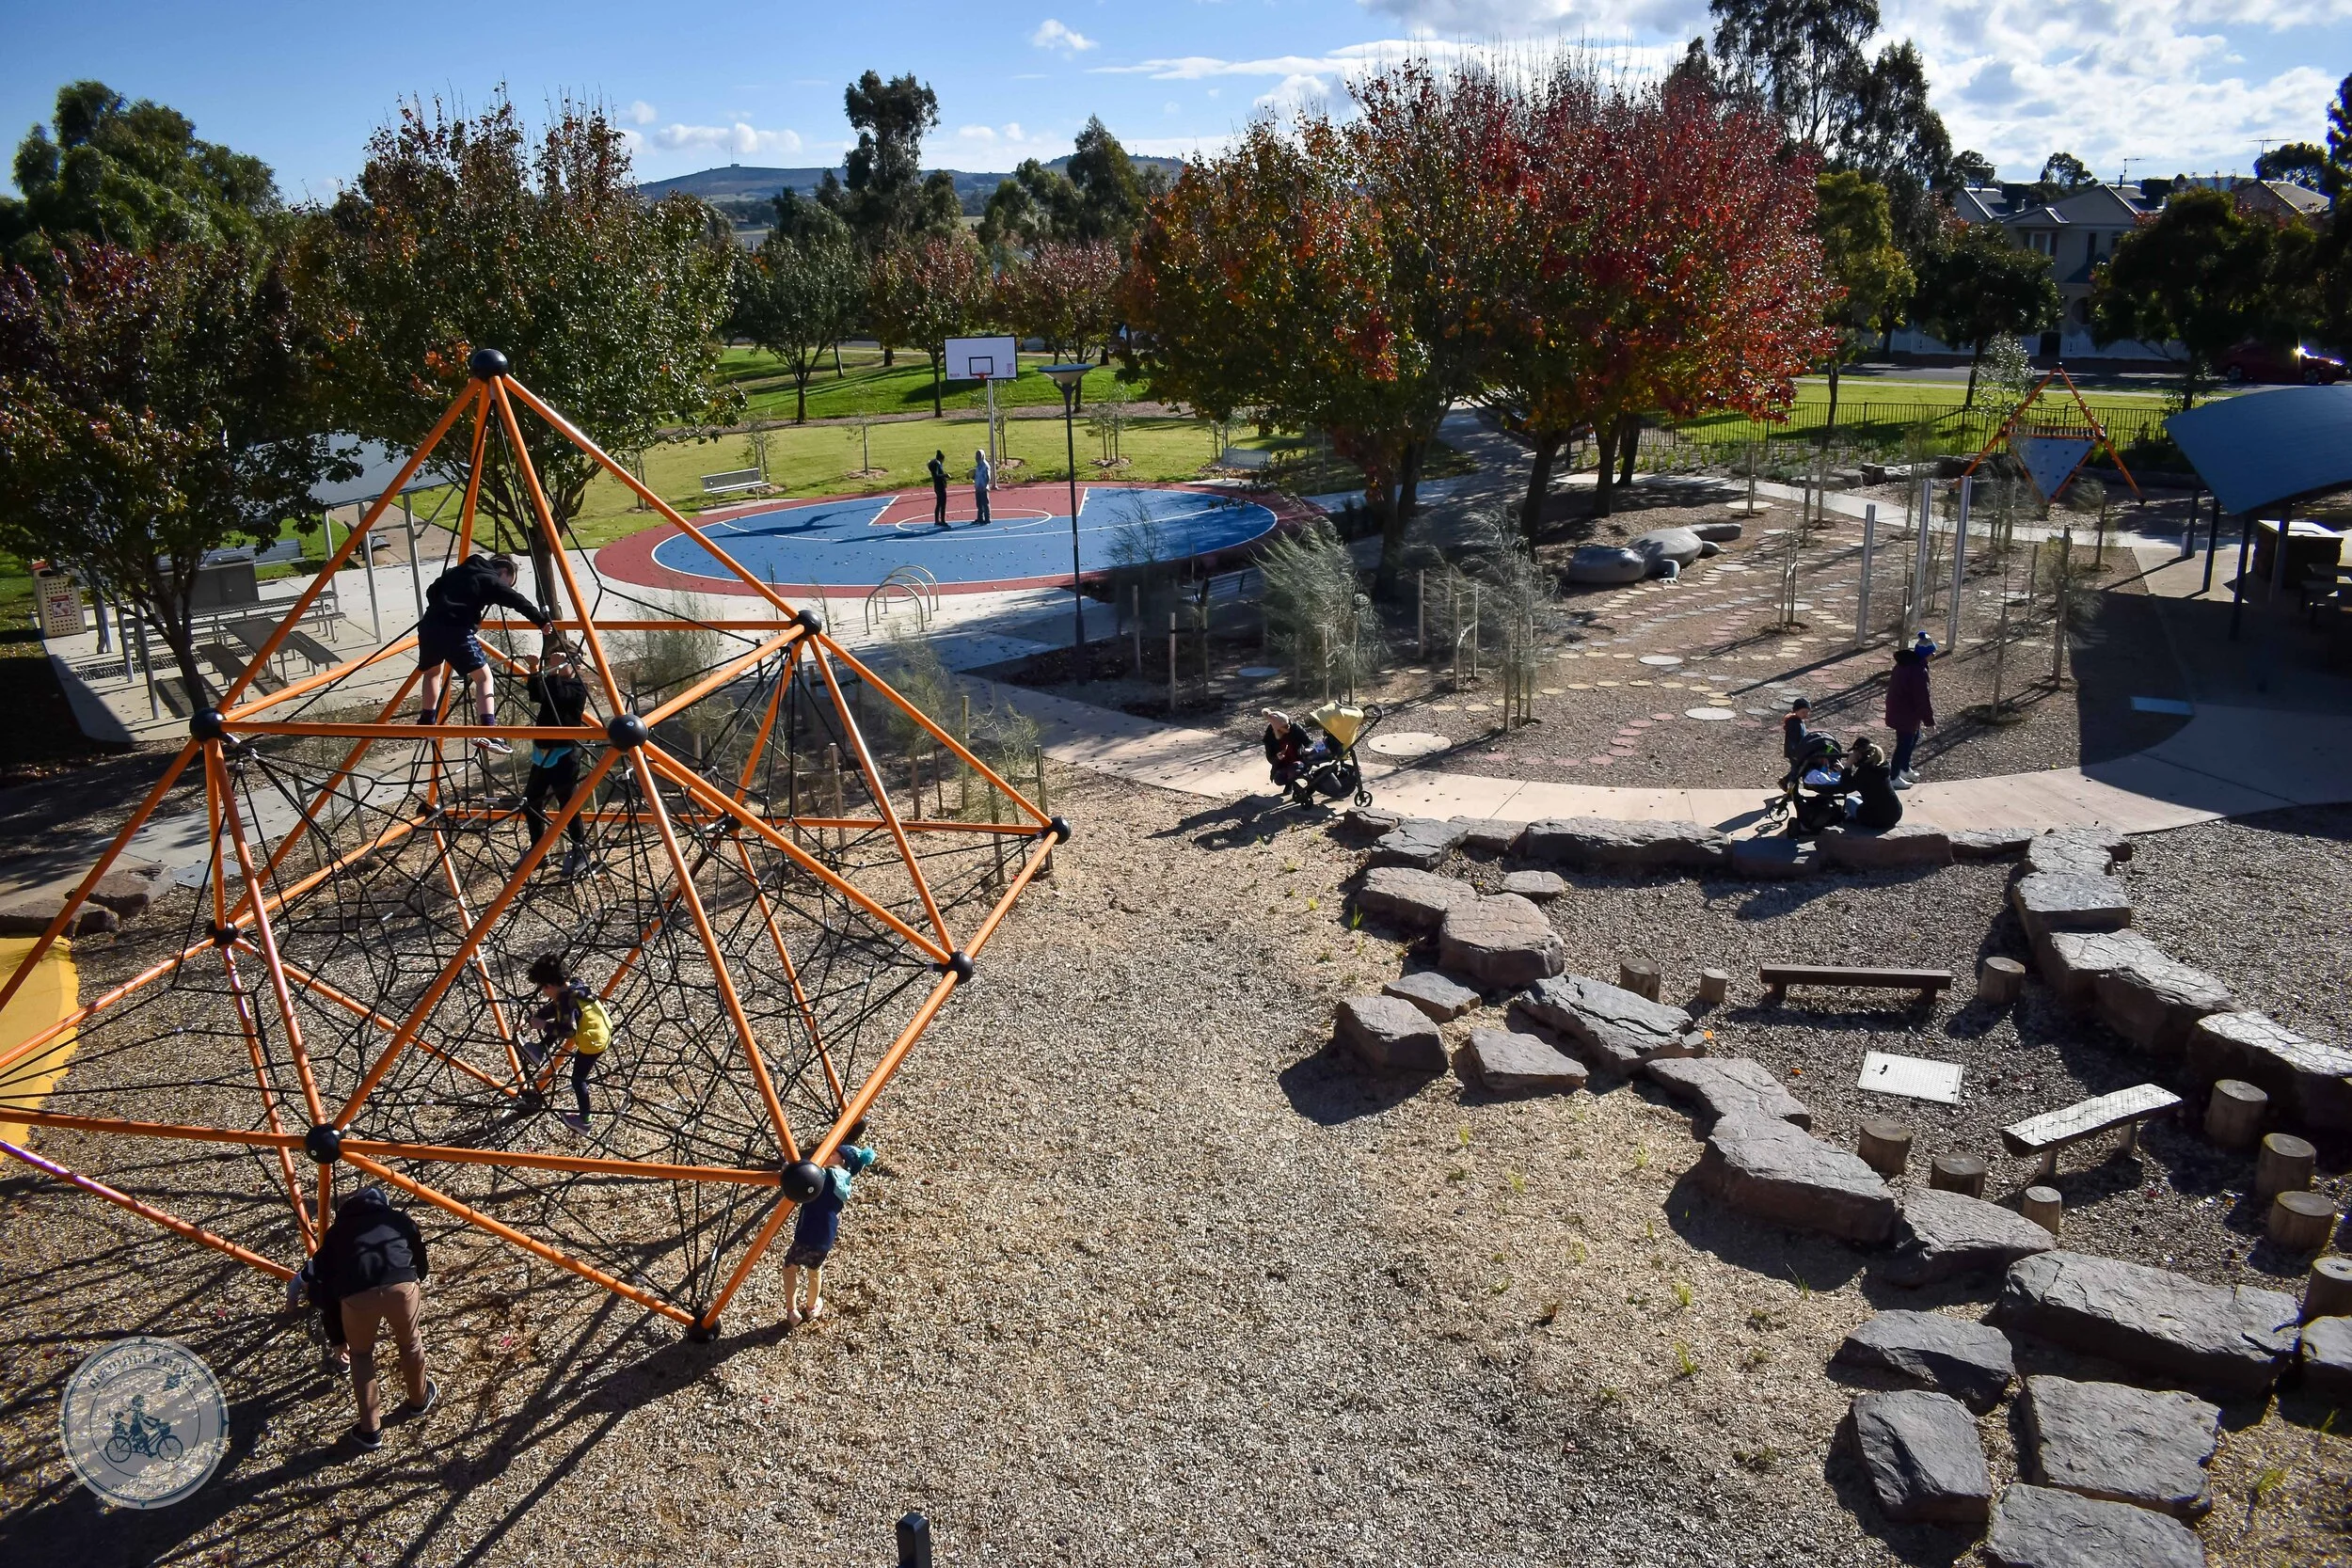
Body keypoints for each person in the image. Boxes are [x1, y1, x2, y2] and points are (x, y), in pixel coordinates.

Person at [314, 1186, 435, 1450]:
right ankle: (419, 1400)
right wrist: (415, 1278)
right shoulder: (398, 1220)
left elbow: (325, 1290)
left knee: (360, 1355)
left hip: (356, 1295)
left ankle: (370, 1431)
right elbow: (421, 1262)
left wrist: (337, 1338)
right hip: (400, 1286)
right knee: (410, 1343)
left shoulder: (335, 1234)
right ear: (383, 1204)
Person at [415, 553, 550, 757]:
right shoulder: (490, 579)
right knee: (484, 677)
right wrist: (541, 621)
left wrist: (445, 605)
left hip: (429, 627)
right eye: (508, 582)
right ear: (503, 571)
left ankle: (426, 722)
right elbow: (517, 600)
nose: (506, 586)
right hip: (456, 629)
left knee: (433, 672)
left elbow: (432, 590)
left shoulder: (457, 571)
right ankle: (489, 730)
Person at [780, 1127, 877, 1324]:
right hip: (825, 1238)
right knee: (814, 1270)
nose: (828, 1154)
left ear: (842, 1162)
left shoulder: (823, 1176)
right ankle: (811, 1307)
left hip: (806, 1233)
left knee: (790, 1268)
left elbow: (802, 1180)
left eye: (834, 1154)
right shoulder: (844, 1185)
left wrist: (788, 1170)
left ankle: (792, 1312)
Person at [520, 636, 594, 879]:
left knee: (568, 806)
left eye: (563, 662)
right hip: (542, 753)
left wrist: (555, 671)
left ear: (576, 664)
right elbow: (538, 695)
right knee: (531, 803)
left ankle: (580, 850)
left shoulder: (578, 688)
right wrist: (534, 669)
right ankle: (538, 850)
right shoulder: (554, 681)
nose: (556, 666)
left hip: (564, 754)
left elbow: (558, 698)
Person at [520, 953, 612, 1132]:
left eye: (543, 988)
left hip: (592, 1041)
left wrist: (543, 1025)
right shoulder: (575, 986)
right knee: (559, 1019)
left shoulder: (566, 999)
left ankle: (585, 1121)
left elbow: (568, 1031)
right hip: (602, 1032)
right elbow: (554, 1009)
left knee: (578, 1079)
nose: (544, 992)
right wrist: (530, 1019)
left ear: (549, 985)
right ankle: (540, 1050)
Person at [1885, 645, 1935, 789]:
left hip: (1900, 709)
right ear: (1926, 654)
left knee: (1914, 737)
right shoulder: (1918, 671)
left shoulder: (1905, 664)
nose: (1934, 655)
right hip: (1906, 712)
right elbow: (1922, 698)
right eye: (1932, 652)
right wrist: (1929, 720)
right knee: (1904, 744)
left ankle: (1904, 769)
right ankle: (1894, 777)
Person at [1846, 736, 1903, 831]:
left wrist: (1848, 765)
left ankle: (1855, 818)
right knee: (1859, 797)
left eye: (1854, 753)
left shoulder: (1865, 771)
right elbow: (1859, 782)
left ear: (1859, 753)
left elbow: (1846, 787)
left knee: (1849, 801)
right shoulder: (1882, 765)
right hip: (1895, 814)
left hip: (1877, 819)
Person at [1262, 709, 1316, 802]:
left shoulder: (1295, 728)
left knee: (1295, 769)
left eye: (1288, 723)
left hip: (1299, 760)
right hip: (1283, 765)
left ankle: (1306, 784)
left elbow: (1309, 742)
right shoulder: (1269, 738)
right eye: (1285, 726)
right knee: (1279, 779)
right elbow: (1270, 758)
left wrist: (1308, 748)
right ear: (1278, 728)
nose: (1289, 726)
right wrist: (1277, 758)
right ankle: (1290, 783)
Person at [927, 451, 950, 527]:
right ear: (941, 459)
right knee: (942, 504)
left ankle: (937, 520)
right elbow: (936, 475)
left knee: (939, 503)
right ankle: (942, 520)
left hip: (937, 486)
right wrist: (945, 475)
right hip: (940, 486)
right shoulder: (937, 464)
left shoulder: (935, 464)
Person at [971, 448, 993, 526]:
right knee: (979, 504)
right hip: (978, 487)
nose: (977, 457)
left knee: (985, 503)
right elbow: (978, 476)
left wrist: (985, 485)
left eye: (979, 455)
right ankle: (980, 518)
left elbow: (988, 477)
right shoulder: (978, 465)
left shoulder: (985, 466)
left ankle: (987, 519)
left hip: (983, 487)